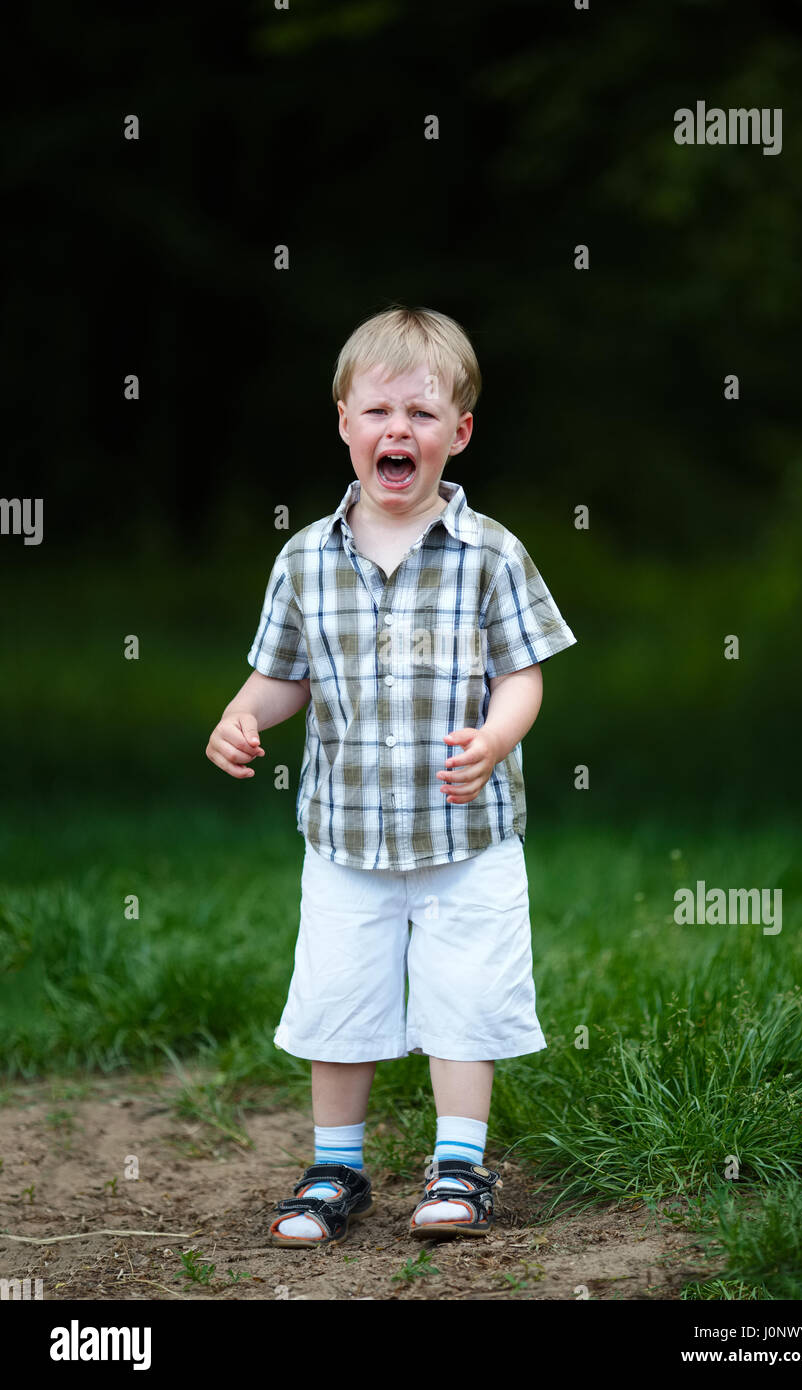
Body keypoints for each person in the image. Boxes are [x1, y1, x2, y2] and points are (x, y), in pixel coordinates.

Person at [205, 305, 577, 1248]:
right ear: (343, 422)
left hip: (466, 834)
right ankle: (336, 1166)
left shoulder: (492, 554)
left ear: (459, 432)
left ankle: (459, 1165)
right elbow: (284, 674)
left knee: (467, 994)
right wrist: (241, 715)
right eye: (377, 413)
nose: (396, 431)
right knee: (339, 999)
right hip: (346, 839)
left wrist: (495, 737)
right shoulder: (305, 559)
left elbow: (523, 674)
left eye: (420, 413)